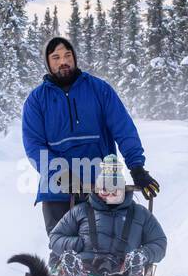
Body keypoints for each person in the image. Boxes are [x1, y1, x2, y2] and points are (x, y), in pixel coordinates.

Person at [22, 36, 161, 235]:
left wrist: (137, 167)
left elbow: (123, 129)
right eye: (56, 57)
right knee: (63, 251)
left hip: (102, 185)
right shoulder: (36, 100)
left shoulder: (99, 89)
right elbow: (33, 145)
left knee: (107, 250)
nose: (63, 61)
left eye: (68, 55)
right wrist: (60, 174)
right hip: (58, 190)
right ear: (48, 63)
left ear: (75, 58)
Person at [48, 155, 166, 276]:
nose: (109, 193)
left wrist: (143, 254)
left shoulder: (141, 214)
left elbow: (159, 243)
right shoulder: (81, 211)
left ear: (122, 188)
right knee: (70, 260)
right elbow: (55, 237)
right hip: (87, 267)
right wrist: (77, 244)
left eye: (114, 188)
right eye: (104, 188)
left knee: (131, 269)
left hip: (124, 270)